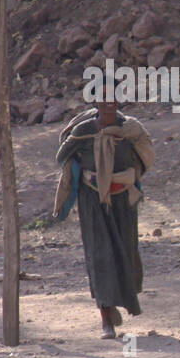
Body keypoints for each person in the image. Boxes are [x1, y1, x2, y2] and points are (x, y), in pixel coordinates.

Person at [53, 94, 154, 339]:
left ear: (118, 103)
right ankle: (106, 318)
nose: (108, 105)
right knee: (100, 256)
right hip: (92, 200)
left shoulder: (130, 129)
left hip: (123, 200)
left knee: (125, 252)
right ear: (97, 103)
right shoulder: (84, 130)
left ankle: (121, 302)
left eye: (112, 101)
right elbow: (61, 156)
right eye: (103, 101)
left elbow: (146, 157)